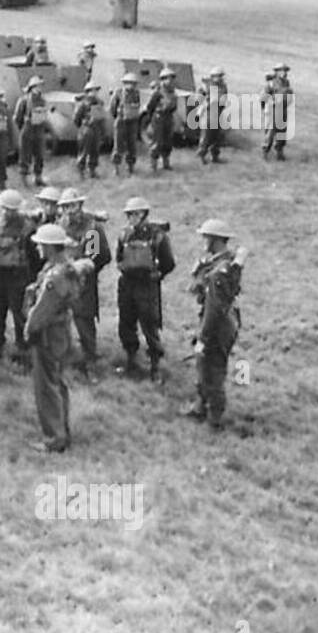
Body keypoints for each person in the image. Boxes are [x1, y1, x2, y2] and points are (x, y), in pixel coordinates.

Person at [24, 223, 90, 453]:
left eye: (41, 245)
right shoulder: (65, 268)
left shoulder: (55, 276)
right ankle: (62, 432)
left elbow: (42, 311)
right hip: (60, 332)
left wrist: (28, 330)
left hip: (47, 335)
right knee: (57, 381)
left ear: (50, 247)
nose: (38, 249)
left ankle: (54, 438)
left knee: (46, 386)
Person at [185, 219, 247, 430]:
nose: (203, 241)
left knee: (214, 371)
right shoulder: (225, 262)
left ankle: (215, 419)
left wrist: (203, 339)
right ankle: (200, 407)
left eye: (206, 237)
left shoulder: (218, 273)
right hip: (220, 321)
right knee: (204, 367)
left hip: (218, 325)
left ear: (215, 240)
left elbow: (214, 310)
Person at [114, 196, 176, 380]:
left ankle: (155, 365)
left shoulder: (158, 236)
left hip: (147, 286)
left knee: (150, 325)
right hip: (127, 285)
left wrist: (157, 276)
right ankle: (131, 360)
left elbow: (169, 262)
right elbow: (119, 257)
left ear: (143, 214)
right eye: (129, 214)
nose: (131, 217)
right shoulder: (124, 234)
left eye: (134, 214)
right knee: (126, 323)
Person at [56, 187, 110, 382]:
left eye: (72, 205)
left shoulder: (92, 228)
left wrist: (85, 269)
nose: (69, 210)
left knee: (84, 319)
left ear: (80, 205)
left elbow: (98, 256)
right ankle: (63, 357)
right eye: (65, 207)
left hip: (84, 281)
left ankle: (90, 361)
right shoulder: (60, 224)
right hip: (63, 278)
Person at [0, 189, 38, 365]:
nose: (5, 212)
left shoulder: (28, 227)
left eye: (9, 209)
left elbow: (34, 254)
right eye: (4, 208)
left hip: (18, 274)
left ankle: (22, 348)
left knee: (19, 313)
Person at [14, 75, 49, 187]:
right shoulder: (24, 100)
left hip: (39, 129)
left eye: (41, 86)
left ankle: (38, 177)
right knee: (25, 155)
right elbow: (18, 117)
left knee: (40, 154)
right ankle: (24, 178)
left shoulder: (43, 100)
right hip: (28, 129)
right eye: (37, 86)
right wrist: (22, 127)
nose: (40, 88)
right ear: (32, 87)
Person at [143, 66, 180, 172]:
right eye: (168, 78)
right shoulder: (158, 93)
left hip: (168, 117)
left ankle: (166, 163)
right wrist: (152, 119)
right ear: (163, 79)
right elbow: (150, 107)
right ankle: (153, 164)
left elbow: (174, 106)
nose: (171, 80)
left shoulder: (173, 92)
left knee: (167, 141)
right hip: (158, 118)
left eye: (172, 78)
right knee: (157, 142)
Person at [109, 71, 144, 177]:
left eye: (133, 83)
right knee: (118, 145)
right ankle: (116, 168)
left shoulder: (136, 93)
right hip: (121, 121)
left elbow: (137, 105)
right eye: (129, 83)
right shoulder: (118, 93)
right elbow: (112, 108)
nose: (131, 85)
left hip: (132, 122)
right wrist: (119, 116)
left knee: (132, 145)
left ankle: (131, 167)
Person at [193, 66, 229, 164]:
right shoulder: (206, 86)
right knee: (206, 137)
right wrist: (198, 113)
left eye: (221, 76)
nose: (221, 78)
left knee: (216, 137)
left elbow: (224, 100)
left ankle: (215, 156)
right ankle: (202, 156)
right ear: (213, 77)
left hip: (218, 113)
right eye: (219, 76)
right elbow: (199, 99)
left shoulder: (223, 86)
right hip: (208, 113)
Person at [73, 79, 105, 179]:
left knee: (95, 151)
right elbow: (76, 118)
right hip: (86, 129)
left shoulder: (100, 102)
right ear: (87, 92)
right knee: (84, 151)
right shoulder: (82, 104)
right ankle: (81, 171)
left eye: (96, 90)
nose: (94, 93)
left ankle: (92, 170)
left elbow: (102, 116)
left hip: (96, 129)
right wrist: (83, 126)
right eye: (92, 90)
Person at [261, 62, 292, 161]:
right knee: (270, 133)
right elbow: (263, 97)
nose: (284, 72)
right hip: (272, 111)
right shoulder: (271, 83)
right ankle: (265, 152)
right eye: (282, 70)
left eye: (285, 70)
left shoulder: (286, 82)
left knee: (282, 133)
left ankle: (279, 152)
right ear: (277, 72)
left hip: (283, 110)